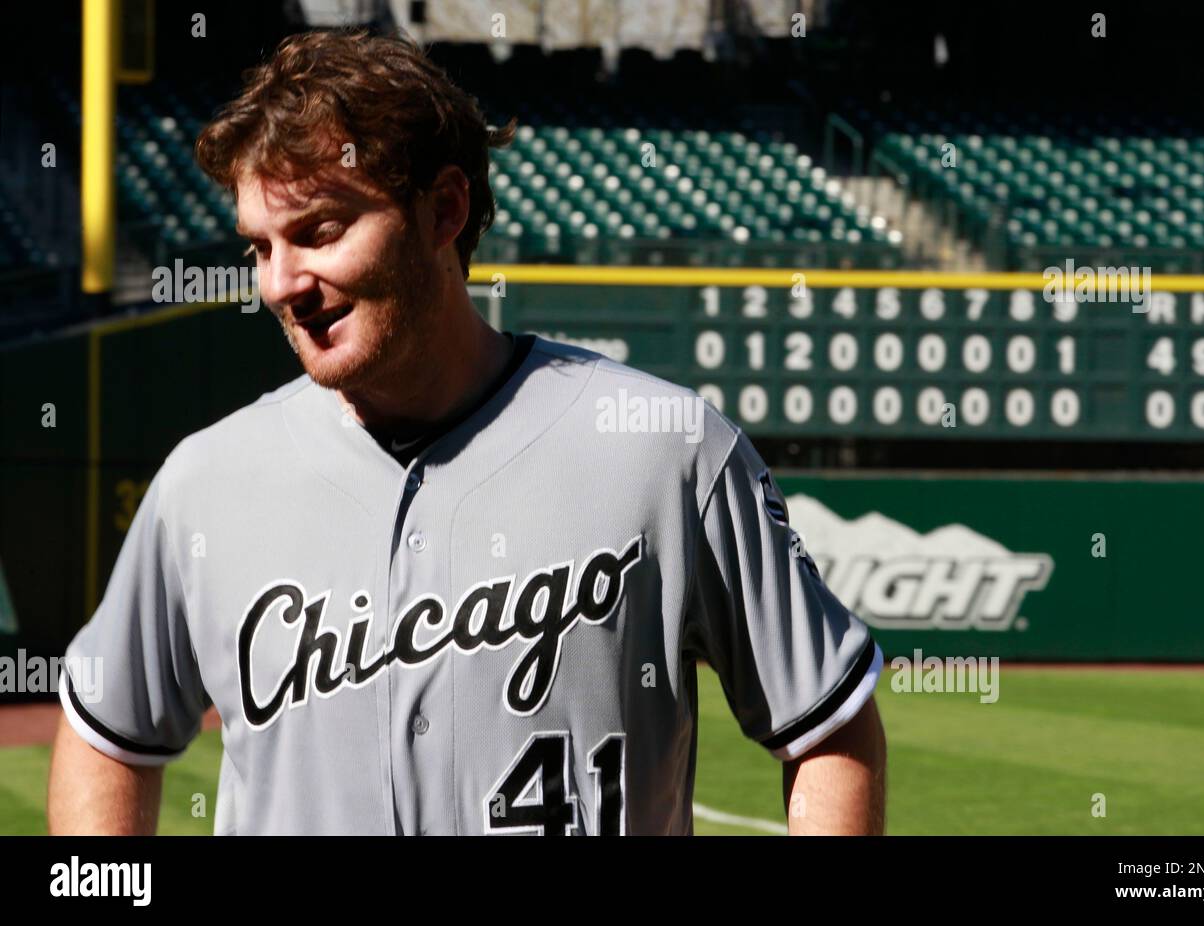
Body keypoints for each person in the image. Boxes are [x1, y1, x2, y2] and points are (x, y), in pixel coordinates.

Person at [47, 28, 885, 836]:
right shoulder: (208, 480)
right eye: (260, 247)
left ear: (444, 210)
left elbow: (828, 726)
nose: (280, 284)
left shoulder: (664, 449)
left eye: (320, 232)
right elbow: (104, 734)